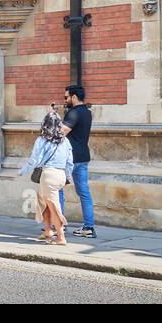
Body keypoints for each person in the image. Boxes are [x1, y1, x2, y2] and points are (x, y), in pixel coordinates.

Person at [16, 108, 73, 245]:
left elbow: (35, 159)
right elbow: (70, 162)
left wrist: (22, 171)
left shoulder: (42, 140)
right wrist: (67, 177)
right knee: (44, 202)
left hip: (48, 175)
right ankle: (47, 230)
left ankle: (60, 237)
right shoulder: (65, 141)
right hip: (60, 174)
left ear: (45, 124)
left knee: (53, 206)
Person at [60, 84, 96, 239]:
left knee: (57, 190)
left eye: (66, 97)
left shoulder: (74, 113)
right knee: (84, 192)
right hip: (83, 157)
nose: (65, 100)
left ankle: (58, 225)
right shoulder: (87, 112)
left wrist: (52, 117)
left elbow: (60, 133)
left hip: (69, 159)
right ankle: (89, 227)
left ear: (74, 97)